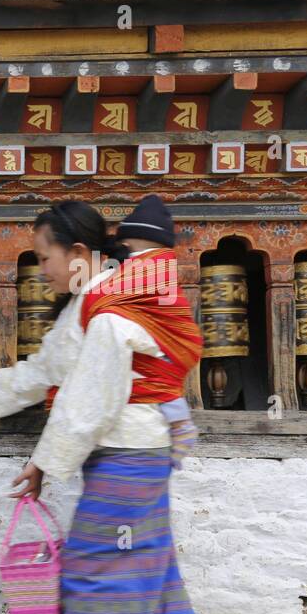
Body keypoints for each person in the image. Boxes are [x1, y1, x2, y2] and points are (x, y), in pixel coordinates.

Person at [0, 200, 226, 614]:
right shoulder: (90, 303)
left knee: (95, 576)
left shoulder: (111, 308)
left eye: (43, 256)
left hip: (128, 457)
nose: (41, 269)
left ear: (77, 253)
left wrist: (44, 463)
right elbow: (47, 372)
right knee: (146, 580)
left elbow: (88, 399)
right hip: (131, 458)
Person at [114, 194, 198, 468]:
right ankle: (180, 424)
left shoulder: (151, 267)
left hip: (159, 342)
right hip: (156, 340)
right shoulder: (150, 265)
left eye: (128, 243)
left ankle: (181, 424)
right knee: (162, 386)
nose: (125, 247)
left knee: (160, 383)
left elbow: (159, 307)